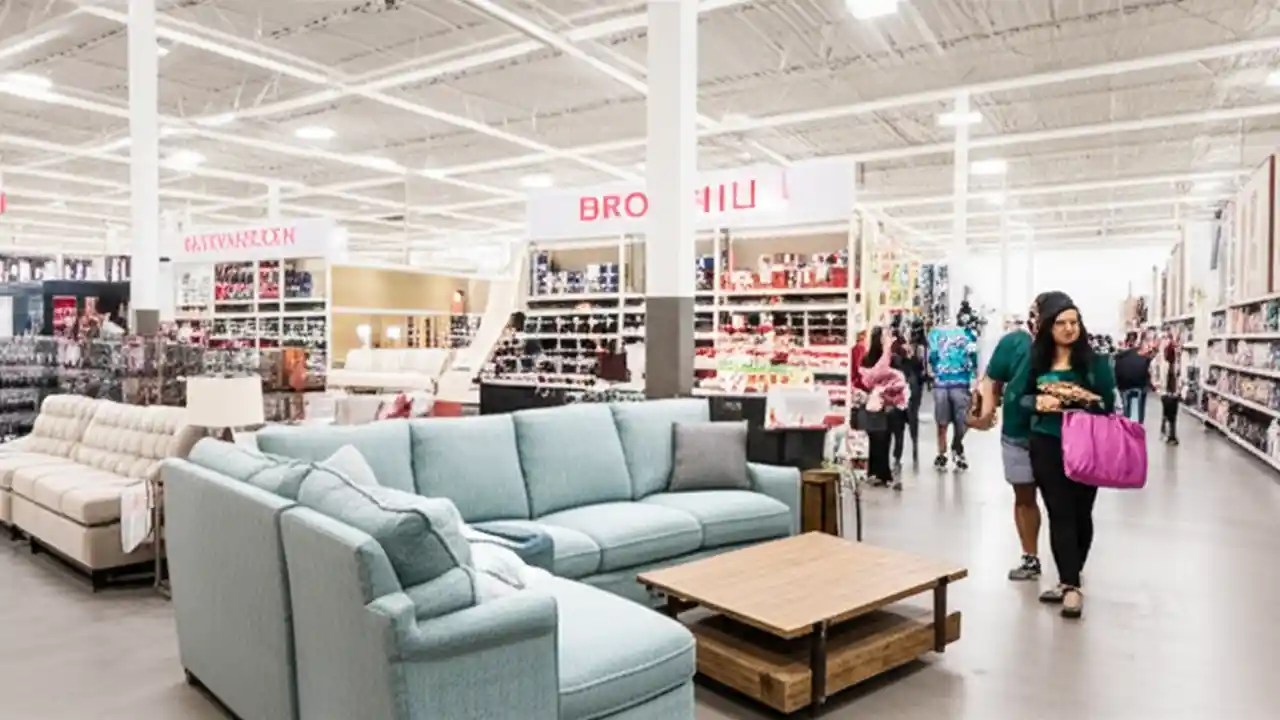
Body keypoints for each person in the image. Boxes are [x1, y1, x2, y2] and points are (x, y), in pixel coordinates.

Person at [1024, 294, 1116, 619]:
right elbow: (1018, 398)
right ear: (1049, 327)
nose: (1068, 329)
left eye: (1073, 322)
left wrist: (1071, 400)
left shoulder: (1095, 363)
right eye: (1061, 323)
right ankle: (1071, 585)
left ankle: (1069, 577)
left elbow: (1107, 403)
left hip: (1088, 445)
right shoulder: (1036, 361)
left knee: (1082, 513)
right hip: (1047, 445)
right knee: (1059, 513)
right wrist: (1037, 403)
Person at [977, 292, 1058, 582]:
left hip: (1055, 433)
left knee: (1060, 502)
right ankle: (1030, 557)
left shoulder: (1066, 346)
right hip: (1017, 432)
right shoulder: (1014, 342)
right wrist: (985, 412)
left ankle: (1069, 565)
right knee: (1024, 496)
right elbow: (993, 379)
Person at [861, 327, 909, 488]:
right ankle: (884, 472)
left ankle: (875, 472)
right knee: (885, 438)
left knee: (875, 438)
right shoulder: (890, 359)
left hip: (873, 404)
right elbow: (900, 379)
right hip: (888, 405)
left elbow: (865, 381)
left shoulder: (867, 359)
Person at [927, 323, 978, 470]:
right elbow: (974, 358)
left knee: (944, 422)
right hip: (958, 382)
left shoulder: (936, 333)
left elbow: (933, 356)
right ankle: (952, 449)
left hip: (945, 382)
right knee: (960, 421)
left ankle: (947, 451)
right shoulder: (969, 334)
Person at [893, 324, 926, 467]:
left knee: (899, 429)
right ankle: (914, 447)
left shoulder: (898, 365)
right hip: (912, 398)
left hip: (902, 400)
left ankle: (898, 455)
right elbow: (922, 376)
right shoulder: (915, 363)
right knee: (913, 424)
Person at [1114, 340, 1155, 423]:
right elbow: (1116, 357)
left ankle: (1136, 423)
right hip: (1124, 383)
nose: (1150, 350)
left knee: (1137, 404)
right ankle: (1128, 422)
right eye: (1148, 348)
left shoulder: (1147, 359)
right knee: (1127, 406)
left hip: (1134, 384)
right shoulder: (1131, 353)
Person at [1155, 337, 1181, 445]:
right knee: (1172, 416)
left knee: (1166, 414)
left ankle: (1166, 434)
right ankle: (1171, 435)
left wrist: (1158, 388)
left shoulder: (1161, 362)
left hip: (1165, 393)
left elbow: (1156, 376)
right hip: (1172, 393)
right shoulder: (1174, 365)